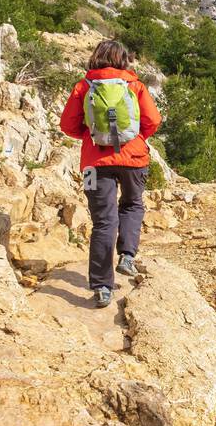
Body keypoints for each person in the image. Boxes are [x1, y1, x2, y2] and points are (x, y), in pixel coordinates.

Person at [59, 39, 161, 307]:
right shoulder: (134, 85)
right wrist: (133, 138)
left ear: (96, 57)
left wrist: (93, 135)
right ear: (123, 59)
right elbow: (153, 121)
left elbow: (67, 126)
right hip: (134, 160)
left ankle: (102, 287)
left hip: (94, 164)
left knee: (103, 221)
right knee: (132, 204)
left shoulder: (83, 86)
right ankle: (127, 256)